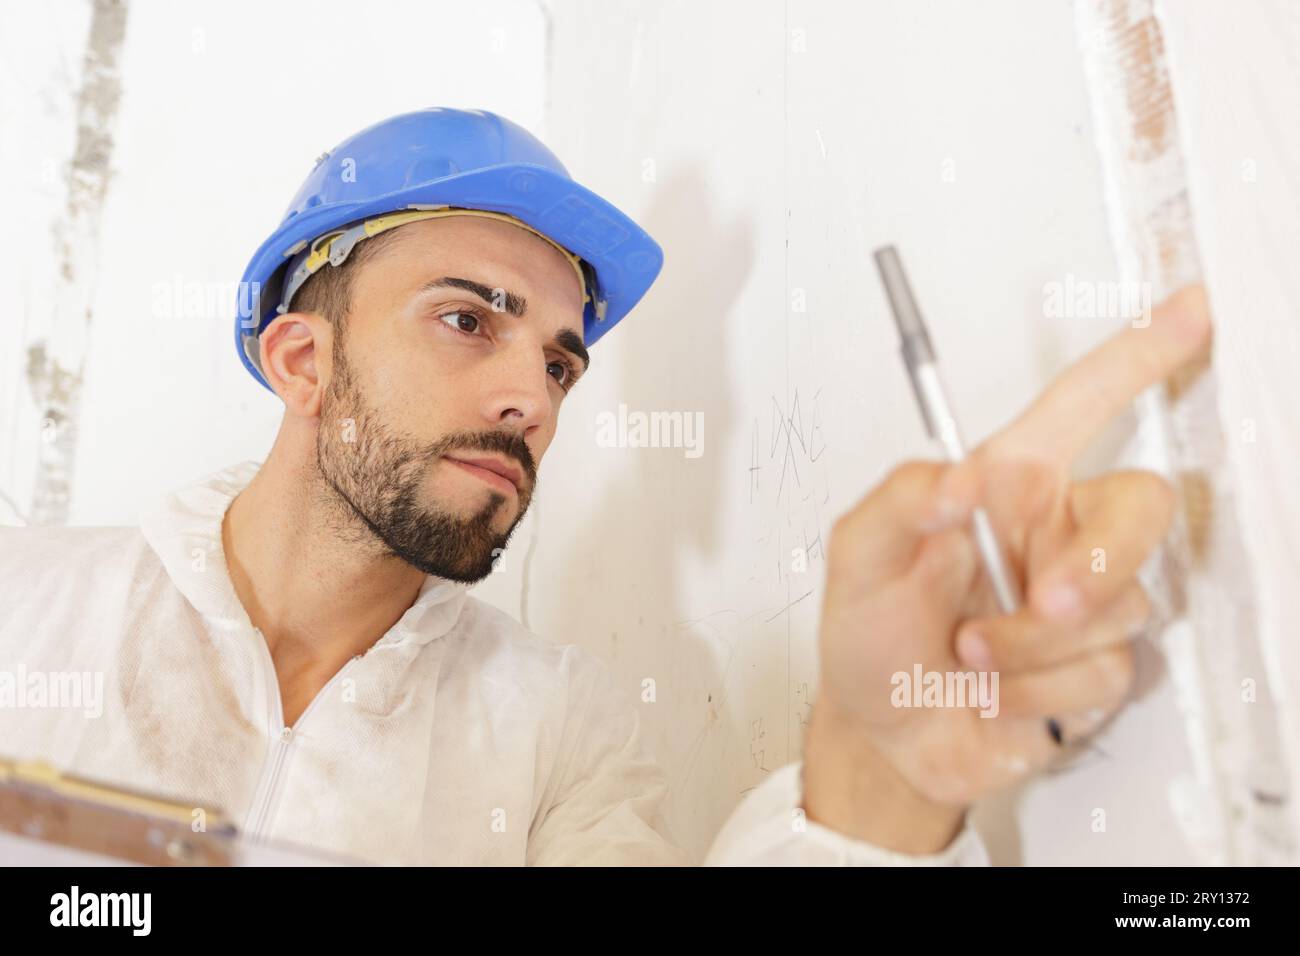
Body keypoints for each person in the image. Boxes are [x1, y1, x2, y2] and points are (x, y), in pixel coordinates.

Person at [0, 108, 1211, 865]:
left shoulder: (563, 729)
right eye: (469, 319)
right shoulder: (28, 603)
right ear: (302, 359)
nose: (533, 394)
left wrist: (876, 778)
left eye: (560, 359)